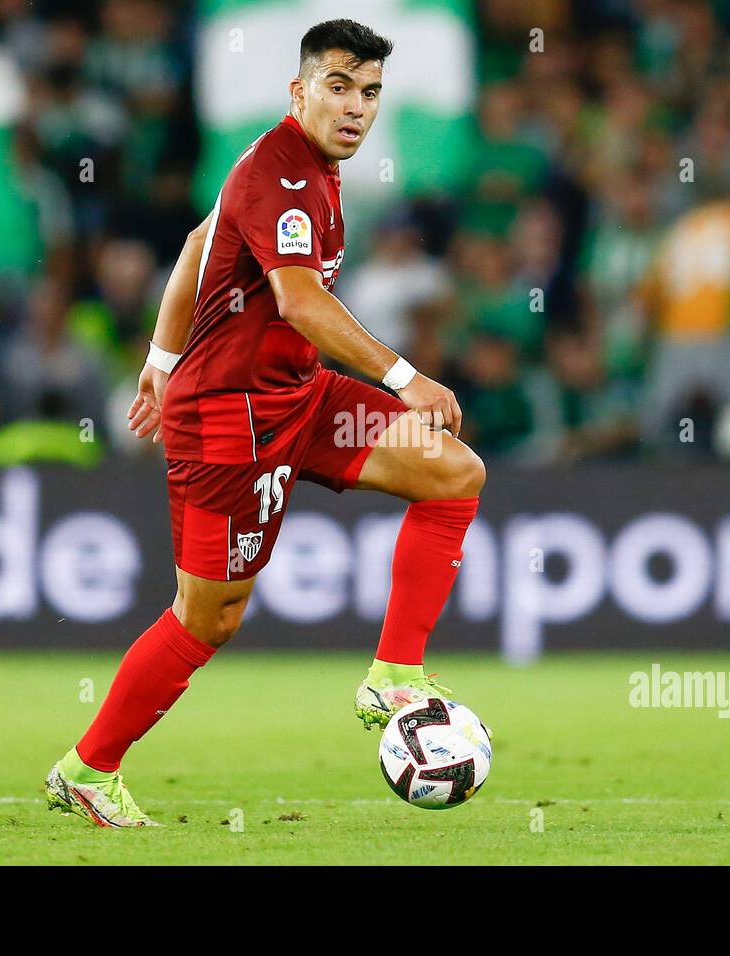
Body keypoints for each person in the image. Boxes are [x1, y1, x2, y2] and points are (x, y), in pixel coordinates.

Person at [46, 19, 486, 827]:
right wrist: (404, 375)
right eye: (339, 86)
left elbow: (194, 244)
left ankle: (394, 672)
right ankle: (89, 767)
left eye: (371, 92)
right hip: (229, 425)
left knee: (453, 472)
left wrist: (160, 353)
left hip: (298, 397)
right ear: (300, 90)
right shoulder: (280, 174)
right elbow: (299, 299)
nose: (357, 108)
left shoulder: (303, 169)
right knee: (208, 616)